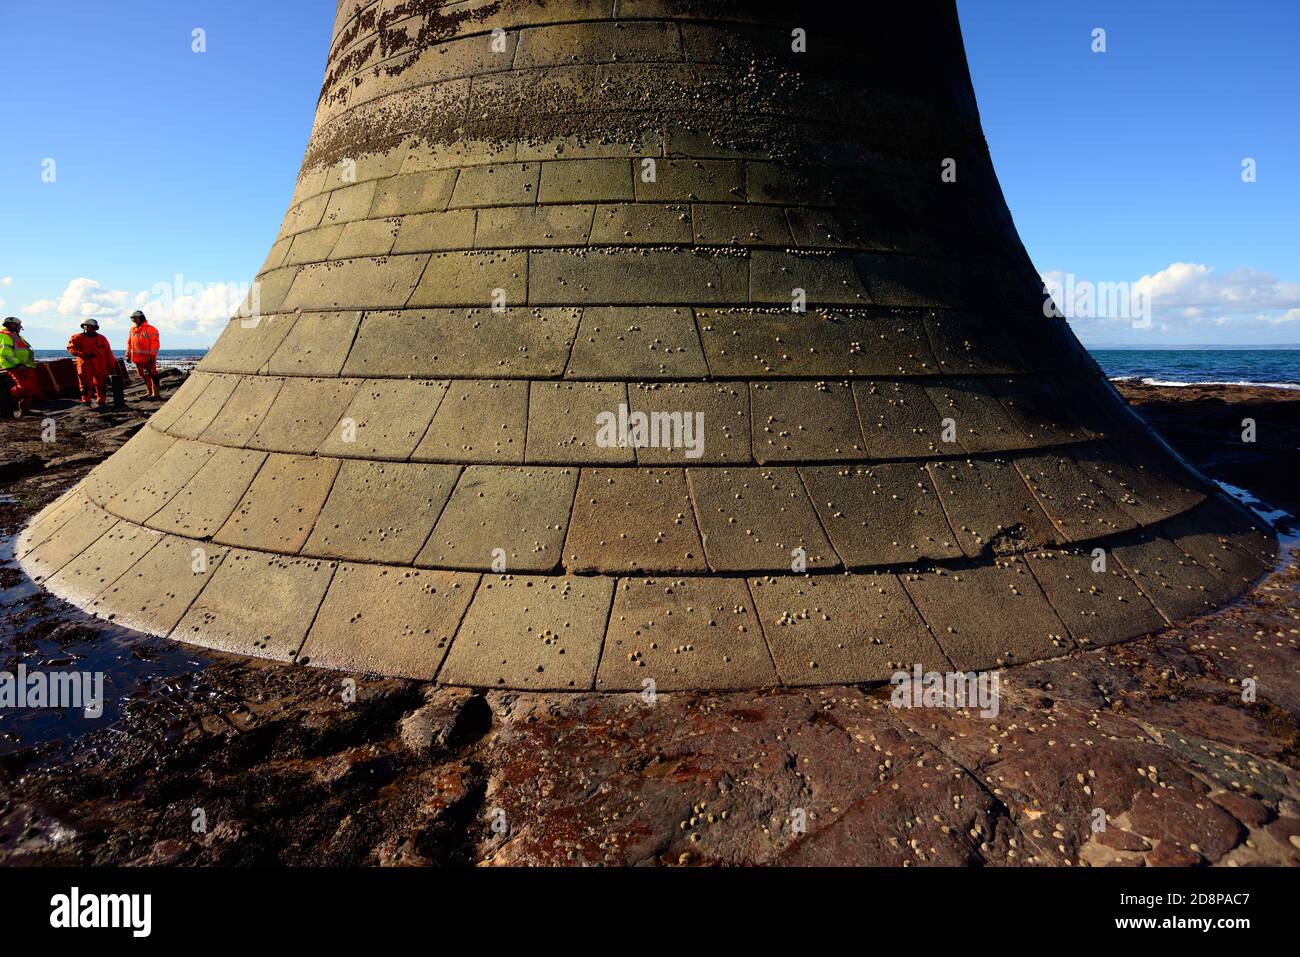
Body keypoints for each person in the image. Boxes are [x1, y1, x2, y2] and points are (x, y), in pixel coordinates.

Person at [66, 318, 115, 408]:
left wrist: (111, 365)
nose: (87, 328)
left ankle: (101, 401)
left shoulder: (102, 338)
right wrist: (82, 354)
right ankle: (86, 401)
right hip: (85, 364)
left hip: (100, 364)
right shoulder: (77, 337)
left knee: (101, 384)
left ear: (94, 327)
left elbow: (108, 352)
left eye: (89, 326)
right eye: (85, 326)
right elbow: (71, 348)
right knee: (85, 385)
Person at [1, 316, 41, 416]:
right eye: (19, 325)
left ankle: (25, 410)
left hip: (25, 365)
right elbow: (5, 352)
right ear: (12, 324)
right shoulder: (5, 335)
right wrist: (17, 363)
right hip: (15, 366)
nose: (20, 327)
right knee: (23, 387)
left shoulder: (15, 335)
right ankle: (6, 399)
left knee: (31, 387)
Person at [126, 309, 161, 398]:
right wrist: (128, 355)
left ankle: (156, 393)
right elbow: (129, 343)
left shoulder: (150, 329)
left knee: (153, 374)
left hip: (148, 358)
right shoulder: (132, 329)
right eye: (132, 318)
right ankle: (149, 391)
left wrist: (152, 355)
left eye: (136, 318)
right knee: (143, 375)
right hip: (137, 359)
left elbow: (155, 343)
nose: (134, 320)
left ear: (141, 318)